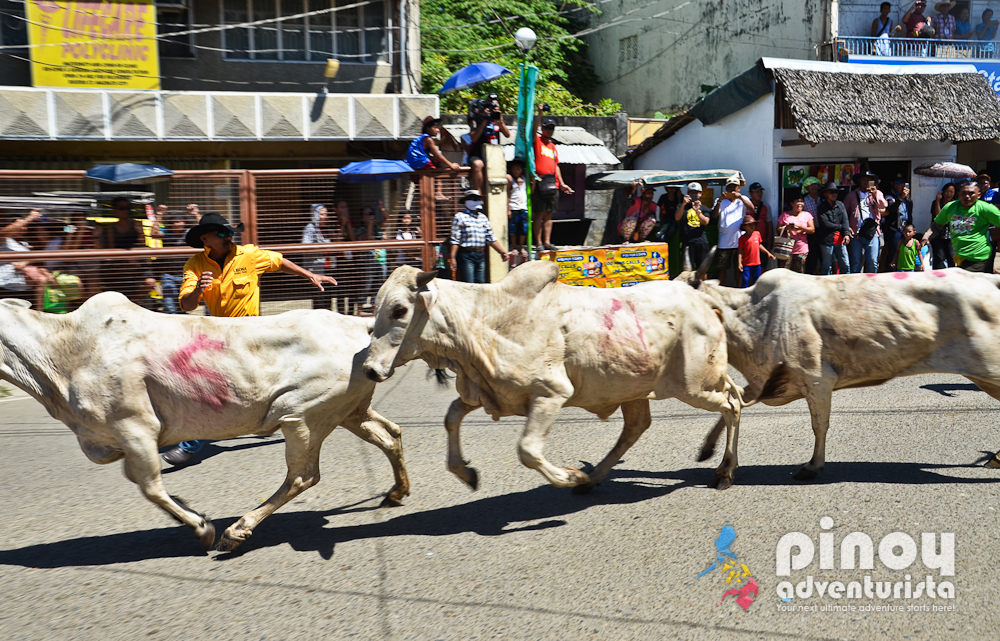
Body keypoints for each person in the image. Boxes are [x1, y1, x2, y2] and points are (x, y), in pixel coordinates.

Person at [161, 212, 338, 466]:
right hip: (220, 336)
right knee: (213, 388)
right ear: (205, 239)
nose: (228, 237)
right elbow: (187, 305)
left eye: (230, 232)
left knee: (260, 383)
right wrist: (198, 288)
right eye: (221, 233)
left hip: (252, 334)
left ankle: (194, 443)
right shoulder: (195, 265)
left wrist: (309, 275)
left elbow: (279, 261)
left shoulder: (249, 255)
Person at [94, 197, 160, 305]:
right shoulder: (111, 229)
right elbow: (111, 249)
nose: (126, 211)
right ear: (115, 210)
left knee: (150, 283)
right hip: (119, 263)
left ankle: (132, 302)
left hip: (138, 261)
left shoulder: (137, 224)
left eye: (128, 208)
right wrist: (127, 257)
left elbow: (142, 243)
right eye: (122, 208)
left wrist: (140, 232)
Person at [922, 181, 1000, 272]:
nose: (967, 196)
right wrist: (926, 237)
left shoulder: (986, 209)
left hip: (978, 257)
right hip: (960, 256)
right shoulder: (950, 207)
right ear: (959, 194)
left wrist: (994, 236)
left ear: (978, 195)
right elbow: (936, 226)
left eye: (971, 193)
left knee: (962, 278)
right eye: (964, 193)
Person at [448, 189, 509, 283]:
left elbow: (490, 238)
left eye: (477, 199)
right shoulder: (460, 217)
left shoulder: (483, 218)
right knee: (469, 284)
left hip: (480, 255)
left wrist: (501, 252)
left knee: (480, 284)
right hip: (467, 255)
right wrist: (452, 258)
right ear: (466, 201)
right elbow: (455, 240)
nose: (476, 201)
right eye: (473, 199)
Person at [533, 112, 573, 251]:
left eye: (552, 128)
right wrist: (539, 114)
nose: (550, 130)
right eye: (547, 128)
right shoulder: (537, 142)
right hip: (540, 182)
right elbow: (532, 131)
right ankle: (538, 243)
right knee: (539, 214)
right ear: (542, 128)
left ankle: (547, 242)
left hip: (552, 183)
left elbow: (556, 166)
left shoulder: (553, 146)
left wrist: (561, 183)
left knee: (549, 215)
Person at [0, 210, 55, 309]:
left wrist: (26, 262)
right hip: (7, 288)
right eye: (21, 225)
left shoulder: (25, 243)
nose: (24, 228)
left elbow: (36, 258)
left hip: (26, 290)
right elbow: (3, 233)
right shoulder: (4, 240)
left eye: (25, 226)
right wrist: (30, 218)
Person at [405, 116, 460, 200]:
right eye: (435, 128)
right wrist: (450, 165)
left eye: (438, 128)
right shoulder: (428, 139)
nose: (438, 130)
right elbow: (437, 155)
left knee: (420, 185)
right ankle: (438, 193)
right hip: (419, 162)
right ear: (428, 128)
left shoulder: (421, 138)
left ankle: (424, 198)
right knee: (438, 169)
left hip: (412, 164)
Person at [710, 179, 753, 285]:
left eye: (735, 187)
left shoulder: (743, 199)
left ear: (739, 188)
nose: (732, 189)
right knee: (722, 268)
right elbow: (714, 215)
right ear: (726, 188)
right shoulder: (721, 200)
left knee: (739, 268)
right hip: (724, 241)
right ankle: (720, 289)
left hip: (739, 241)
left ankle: (739, 289)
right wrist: (720, 200)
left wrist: (740, 197)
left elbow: (752, 209)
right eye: (730, 187)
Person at [843, 172, 886, 273]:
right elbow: (844, 212)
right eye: (864, 179)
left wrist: (875, 196)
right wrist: (847, 227)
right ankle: (856, 282)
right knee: (855, 262)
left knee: (873, 261)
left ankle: (871, 281)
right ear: (859, 181)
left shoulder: (877, 193)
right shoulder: (851, 195)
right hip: (855, 233)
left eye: (869, 180)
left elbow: (884, 205)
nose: (866, 182)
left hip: (872, 233)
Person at [467, 98, 510, 194]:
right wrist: (484, 121)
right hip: (478, 152)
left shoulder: (496, 120)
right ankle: (479, 194)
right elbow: (474, 138)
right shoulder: (476, 120)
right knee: (478, 164)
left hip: (493, 153)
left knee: (506, 175)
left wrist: (501, 122)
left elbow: (507, 135)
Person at [302, 203, 335, 311]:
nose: (325, 217)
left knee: (327, 298)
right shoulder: (310, 228)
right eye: (322, 214)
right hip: (316, 269)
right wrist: (321, 248)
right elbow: (305, 245)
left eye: (326, 214)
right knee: (319, 299)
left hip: (326, 268)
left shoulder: (324, 229)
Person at [815, 182, 851, 276]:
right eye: (831, 192)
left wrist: (846, 234)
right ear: (825, 194)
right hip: (827, 240)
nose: (834, 194)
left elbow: (845, 220)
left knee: (845, 265)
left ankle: (845, 283)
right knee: (827, 266)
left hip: (840, 240)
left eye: (836, 192)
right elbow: (825, 224)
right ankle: (825, 283)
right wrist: (842, 227)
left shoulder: (840, 205)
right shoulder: (821, 207)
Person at [675, 182, 711, 271]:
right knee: (687, 270)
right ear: (688, 193)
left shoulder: (704, 208)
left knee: (702, 270)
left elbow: (706, 222)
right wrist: (683, 204)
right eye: (692, 192)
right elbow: (677, 218)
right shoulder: (681, 206)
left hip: (701, 241)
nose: (694, 194)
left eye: (696, 192)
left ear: (700, 194)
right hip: (687, 242)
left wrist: (697, 211)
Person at [880, 174, 912, 272]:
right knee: (893, 253)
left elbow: (909, 212)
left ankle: (902, 273)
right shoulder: (890, 195)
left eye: (902, 182)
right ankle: (889, 273)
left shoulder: (907, 197)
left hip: (906, 228)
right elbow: (891, 209)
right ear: (892, 183)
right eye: (897, 182)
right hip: (895, 229)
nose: (899, 184)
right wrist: (901, 198)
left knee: (905, 252)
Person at [777, 196, 814, 273]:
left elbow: (812, 230)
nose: (800, 204)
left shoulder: (807, 215)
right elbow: (777, 229)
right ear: (792, 203)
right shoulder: (784, 215)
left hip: (801, 249)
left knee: (800, 272)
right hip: (786, 249)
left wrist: (801, 228)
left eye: (802, 201)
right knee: (784, 272)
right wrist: (787, 228)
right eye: (798, 201)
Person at [737, 214, 774, 288]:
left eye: (753, 224)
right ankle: (744, 293)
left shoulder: (757, 234)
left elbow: (759, 245)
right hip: (747, 264)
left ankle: (756, 294)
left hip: (757, 263)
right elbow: (740, 251)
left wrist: (768, 253)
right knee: (745, 280)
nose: (752, 226)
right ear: (744, 227)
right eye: (749, 225)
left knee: (757, 281)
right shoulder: (742, 238)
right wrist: (739, 263)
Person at [930, 182, 956, 269]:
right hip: (937, 235)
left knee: (952, 258)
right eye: (947, 191)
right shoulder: (936, 202)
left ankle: (952, 276)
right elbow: (938, 216)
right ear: (942, 192)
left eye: (951, 192)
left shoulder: (955, 205)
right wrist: (938, 200)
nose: (949, 194)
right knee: (939, 258)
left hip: (951, 236)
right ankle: (938, 276)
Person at [507, 159, 529, 261]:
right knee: (513, 228)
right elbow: (507, 194)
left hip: (523, 207)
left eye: (518, 169)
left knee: (524, 228)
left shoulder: (524, 179)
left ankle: (521, 246)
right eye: (514, 169)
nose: (516, 171)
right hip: (513, 207)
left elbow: (530, 191)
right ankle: (514, 247)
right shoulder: (510, 180)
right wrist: (508, 209)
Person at [802, 177, 823, 274]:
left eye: (816, 184)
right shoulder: (804, 201)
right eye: (811, 185)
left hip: (823, 231)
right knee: (812, 258)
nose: (814, 186)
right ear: (806, 188)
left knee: (824, 257)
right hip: (810, 233)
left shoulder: (822, 199)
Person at [746, 182, 772, 258]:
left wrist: (770, 239)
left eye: (760, 191)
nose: (759, 193)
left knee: (762, 262)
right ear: (750, 193)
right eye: (756, 191)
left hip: (762, 240)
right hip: (748, 240)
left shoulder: (766, 206)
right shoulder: (745, 206)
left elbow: (769, 223)